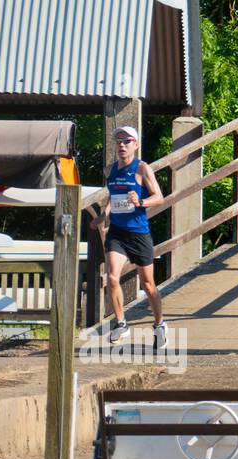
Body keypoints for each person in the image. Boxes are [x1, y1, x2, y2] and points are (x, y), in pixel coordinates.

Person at [93, 125, 167, 349]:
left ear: (135, 144)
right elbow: (112, 197)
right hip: (117, 232)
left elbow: (159, 198)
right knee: (112, 278)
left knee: (148, 284)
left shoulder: (142, 168)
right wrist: (102, 217)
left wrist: (141, 202)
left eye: (126, 141)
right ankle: (121, 323)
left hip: (139, 233)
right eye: (118, 142)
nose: (122, 145)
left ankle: (160, 324)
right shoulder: (110, 170)